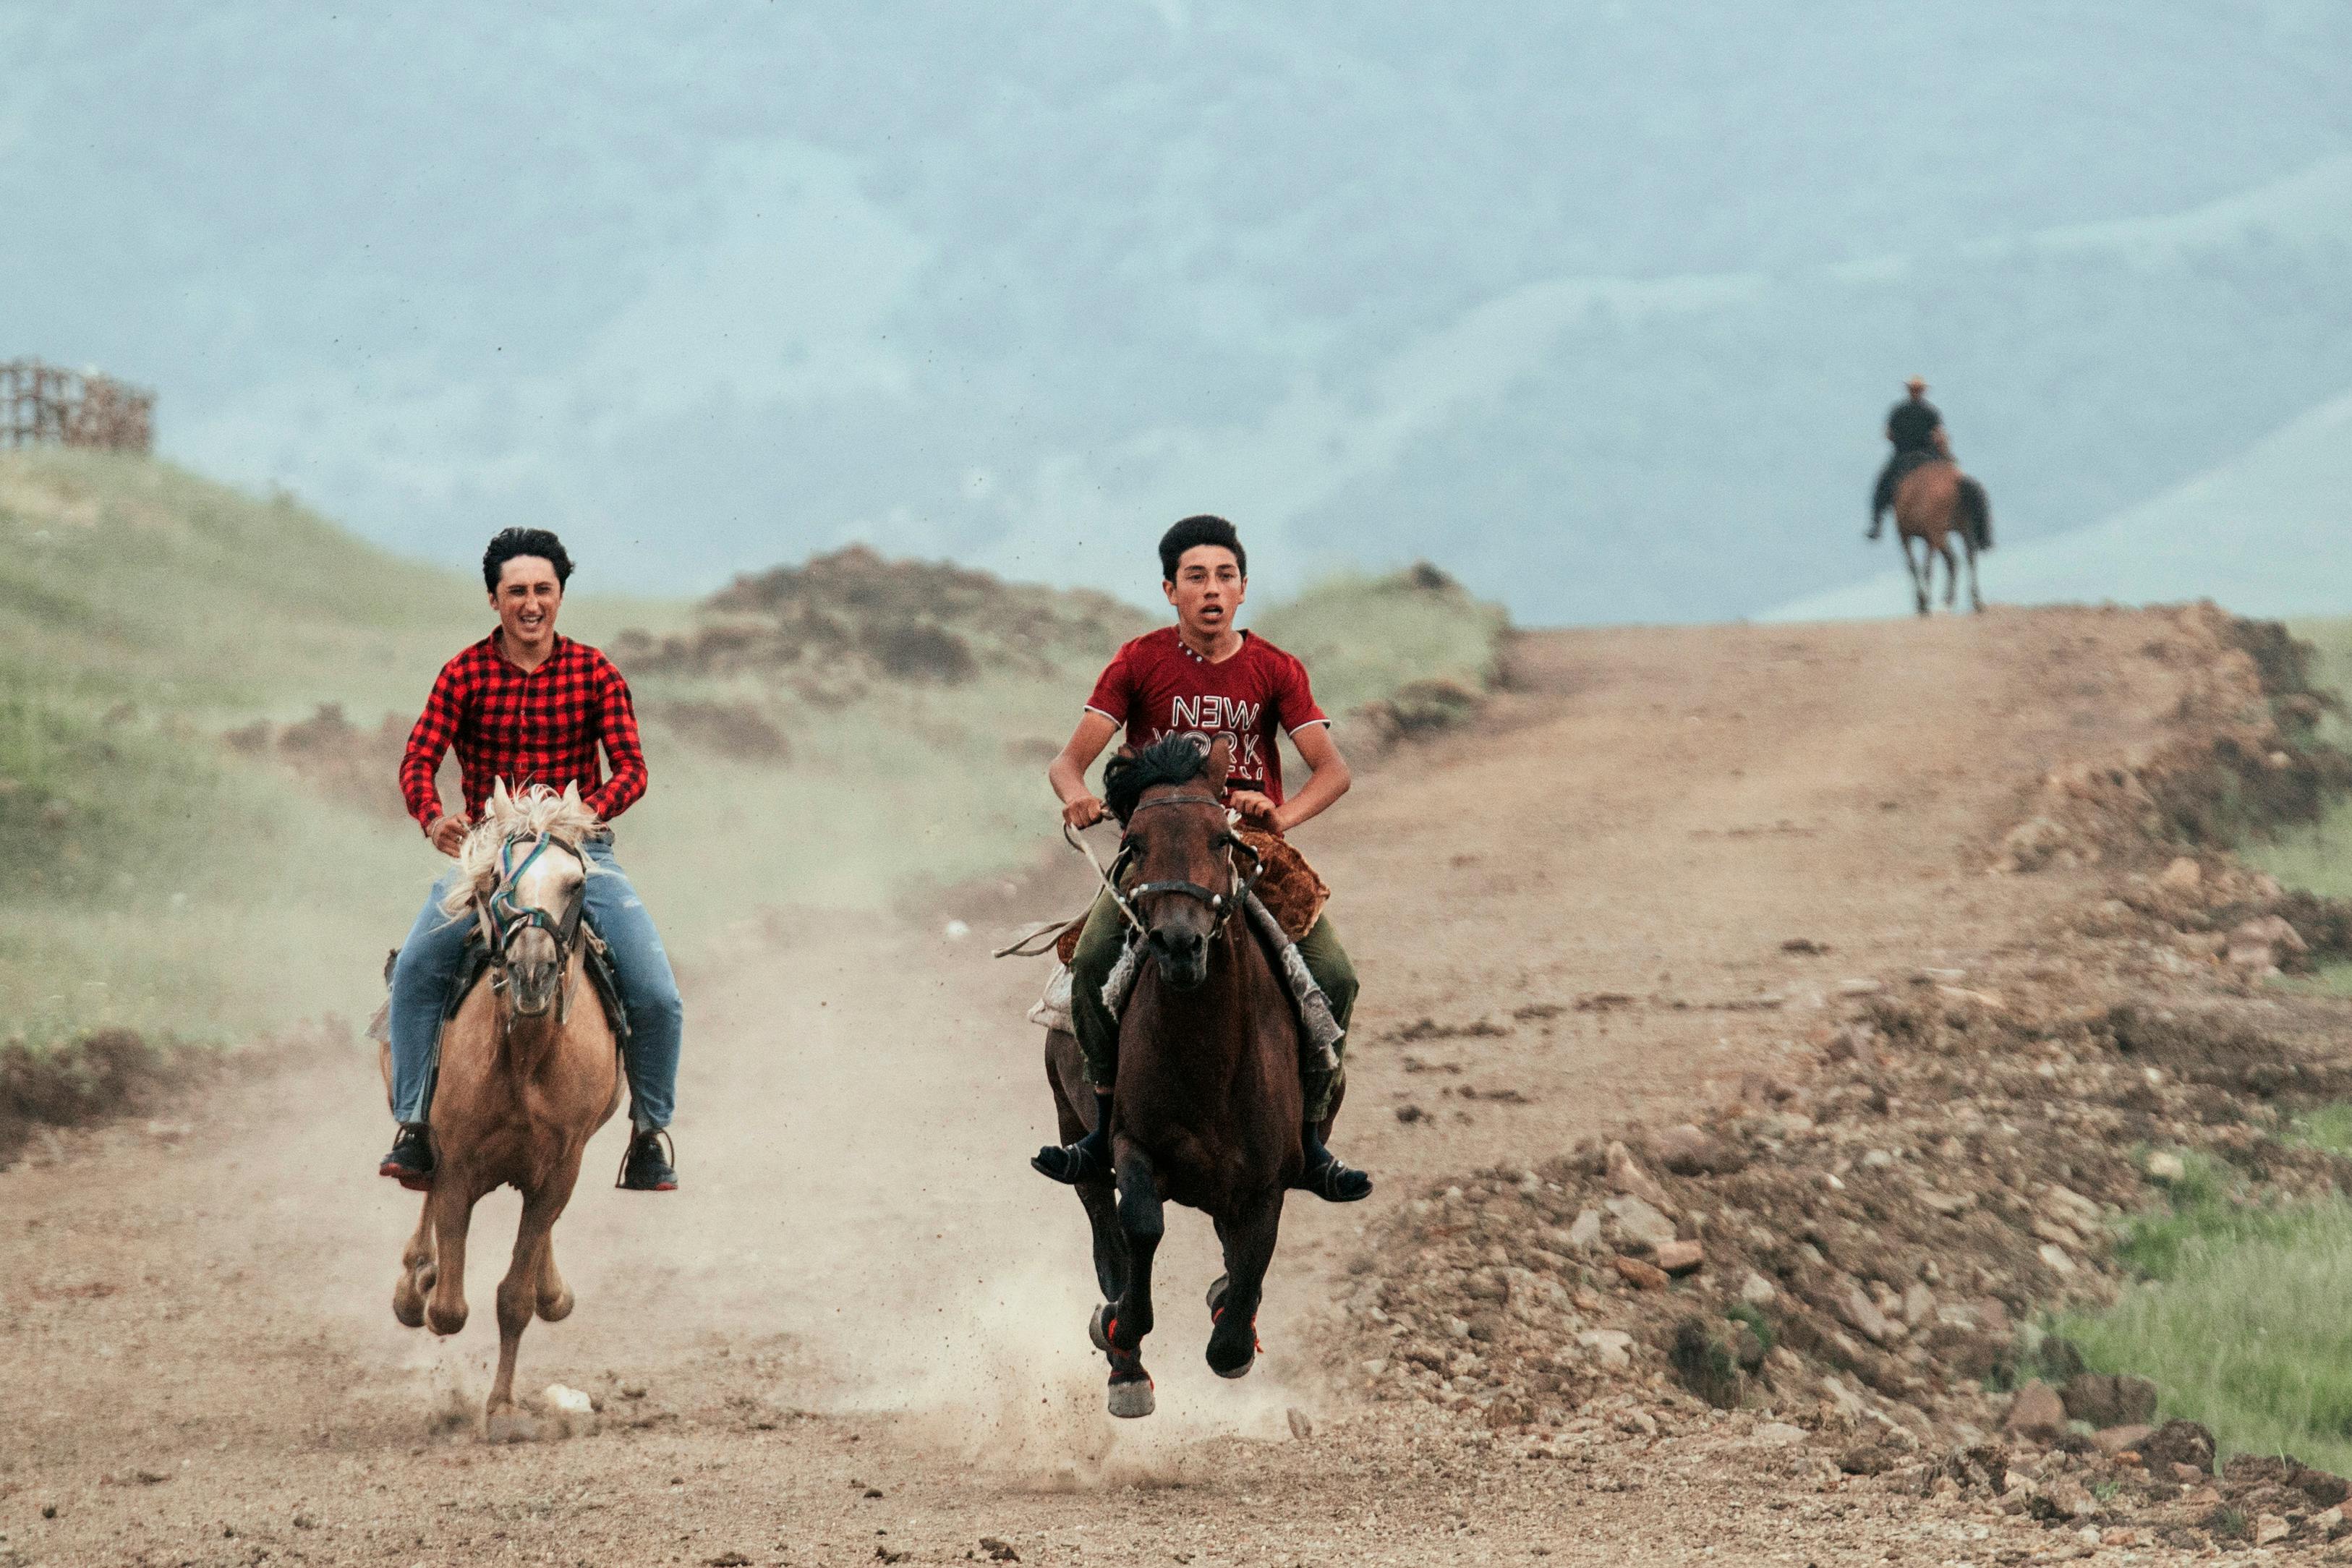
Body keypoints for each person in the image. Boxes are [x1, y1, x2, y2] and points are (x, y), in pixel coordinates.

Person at [1034, 514, 1371, 1202]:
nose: (1211, 589)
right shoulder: (1138, 662)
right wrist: (1077, 799)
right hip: (1158, 857)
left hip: (1251, 853)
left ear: (1243, 589)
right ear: (1170, 590)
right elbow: (1068, 764)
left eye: (1225, 576)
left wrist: (1280, 815)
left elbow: (1332, 771)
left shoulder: (1276, 668)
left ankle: (1310, 1141)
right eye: (1195, 577)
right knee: (1091, 963)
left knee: (1336, 975)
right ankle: (1102, 1125)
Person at [378, 528, 684, 1192]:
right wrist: (432, 817)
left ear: (560, 596)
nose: (531, 603)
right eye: (516, 591)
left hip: (578, 851)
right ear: (494, 599)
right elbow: (419, 756)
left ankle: (649, 1134)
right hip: (490, 853)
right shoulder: (463, 673)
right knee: (418, 970)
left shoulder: (595, 672)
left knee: (658, 993)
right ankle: (414, 1125)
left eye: (543, 589)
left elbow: (632, 768)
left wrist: (583, 814)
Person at [1868, 375, 1948, 540]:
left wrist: (1901, 440)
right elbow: (1939, 437)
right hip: (1928, 457)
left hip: (1902, 456)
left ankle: (1877, 524)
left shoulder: (1899, 411)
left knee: (1882, 486)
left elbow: (1889, 435)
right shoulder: (1931, 412)